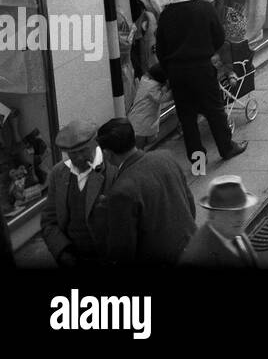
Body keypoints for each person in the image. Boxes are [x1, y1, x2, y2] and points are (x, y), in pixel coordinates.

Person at [154, 0, 247, 167]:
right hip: (201, 68)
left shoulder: (166, 15)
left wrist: (170, 70)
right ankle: (226, 148)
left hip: (177, 72)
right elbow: (219, 38)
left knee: (187, 118)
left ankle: (198, 161)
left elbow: (160, 49)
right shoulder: (205, 8)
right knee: (214, 110)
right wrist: (206, 52)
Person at [96, 118, 195, 266]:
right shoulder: (166, 157)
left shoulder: (121, 191)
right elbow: (190, 204)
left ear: (107, 153)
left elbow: (123, 248)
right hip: (192, 246)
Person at [40, 120, 111, 267]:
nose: (78, 157)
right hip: (73, 257)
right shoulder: (58, 173)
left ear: (94, 144)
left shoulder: (112, 169)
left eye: (83, 150)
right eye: (73, 153)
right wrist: (62, 251)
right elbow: (49, 220)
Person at [180, 175, 259, 267]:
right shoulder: (198, 257)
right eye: (233, 212)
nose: (241, 218)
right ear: (212, 214)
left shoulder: (232, 231)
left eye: (242, 210)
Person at [126, 64, 170, 148]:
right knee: (139, 145)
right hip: (140, 121)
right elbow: (161, 98)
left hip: (140, 119)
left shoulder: (146, 82)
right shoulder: (151, 87)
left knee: (146, 140)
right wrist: (170, 90)